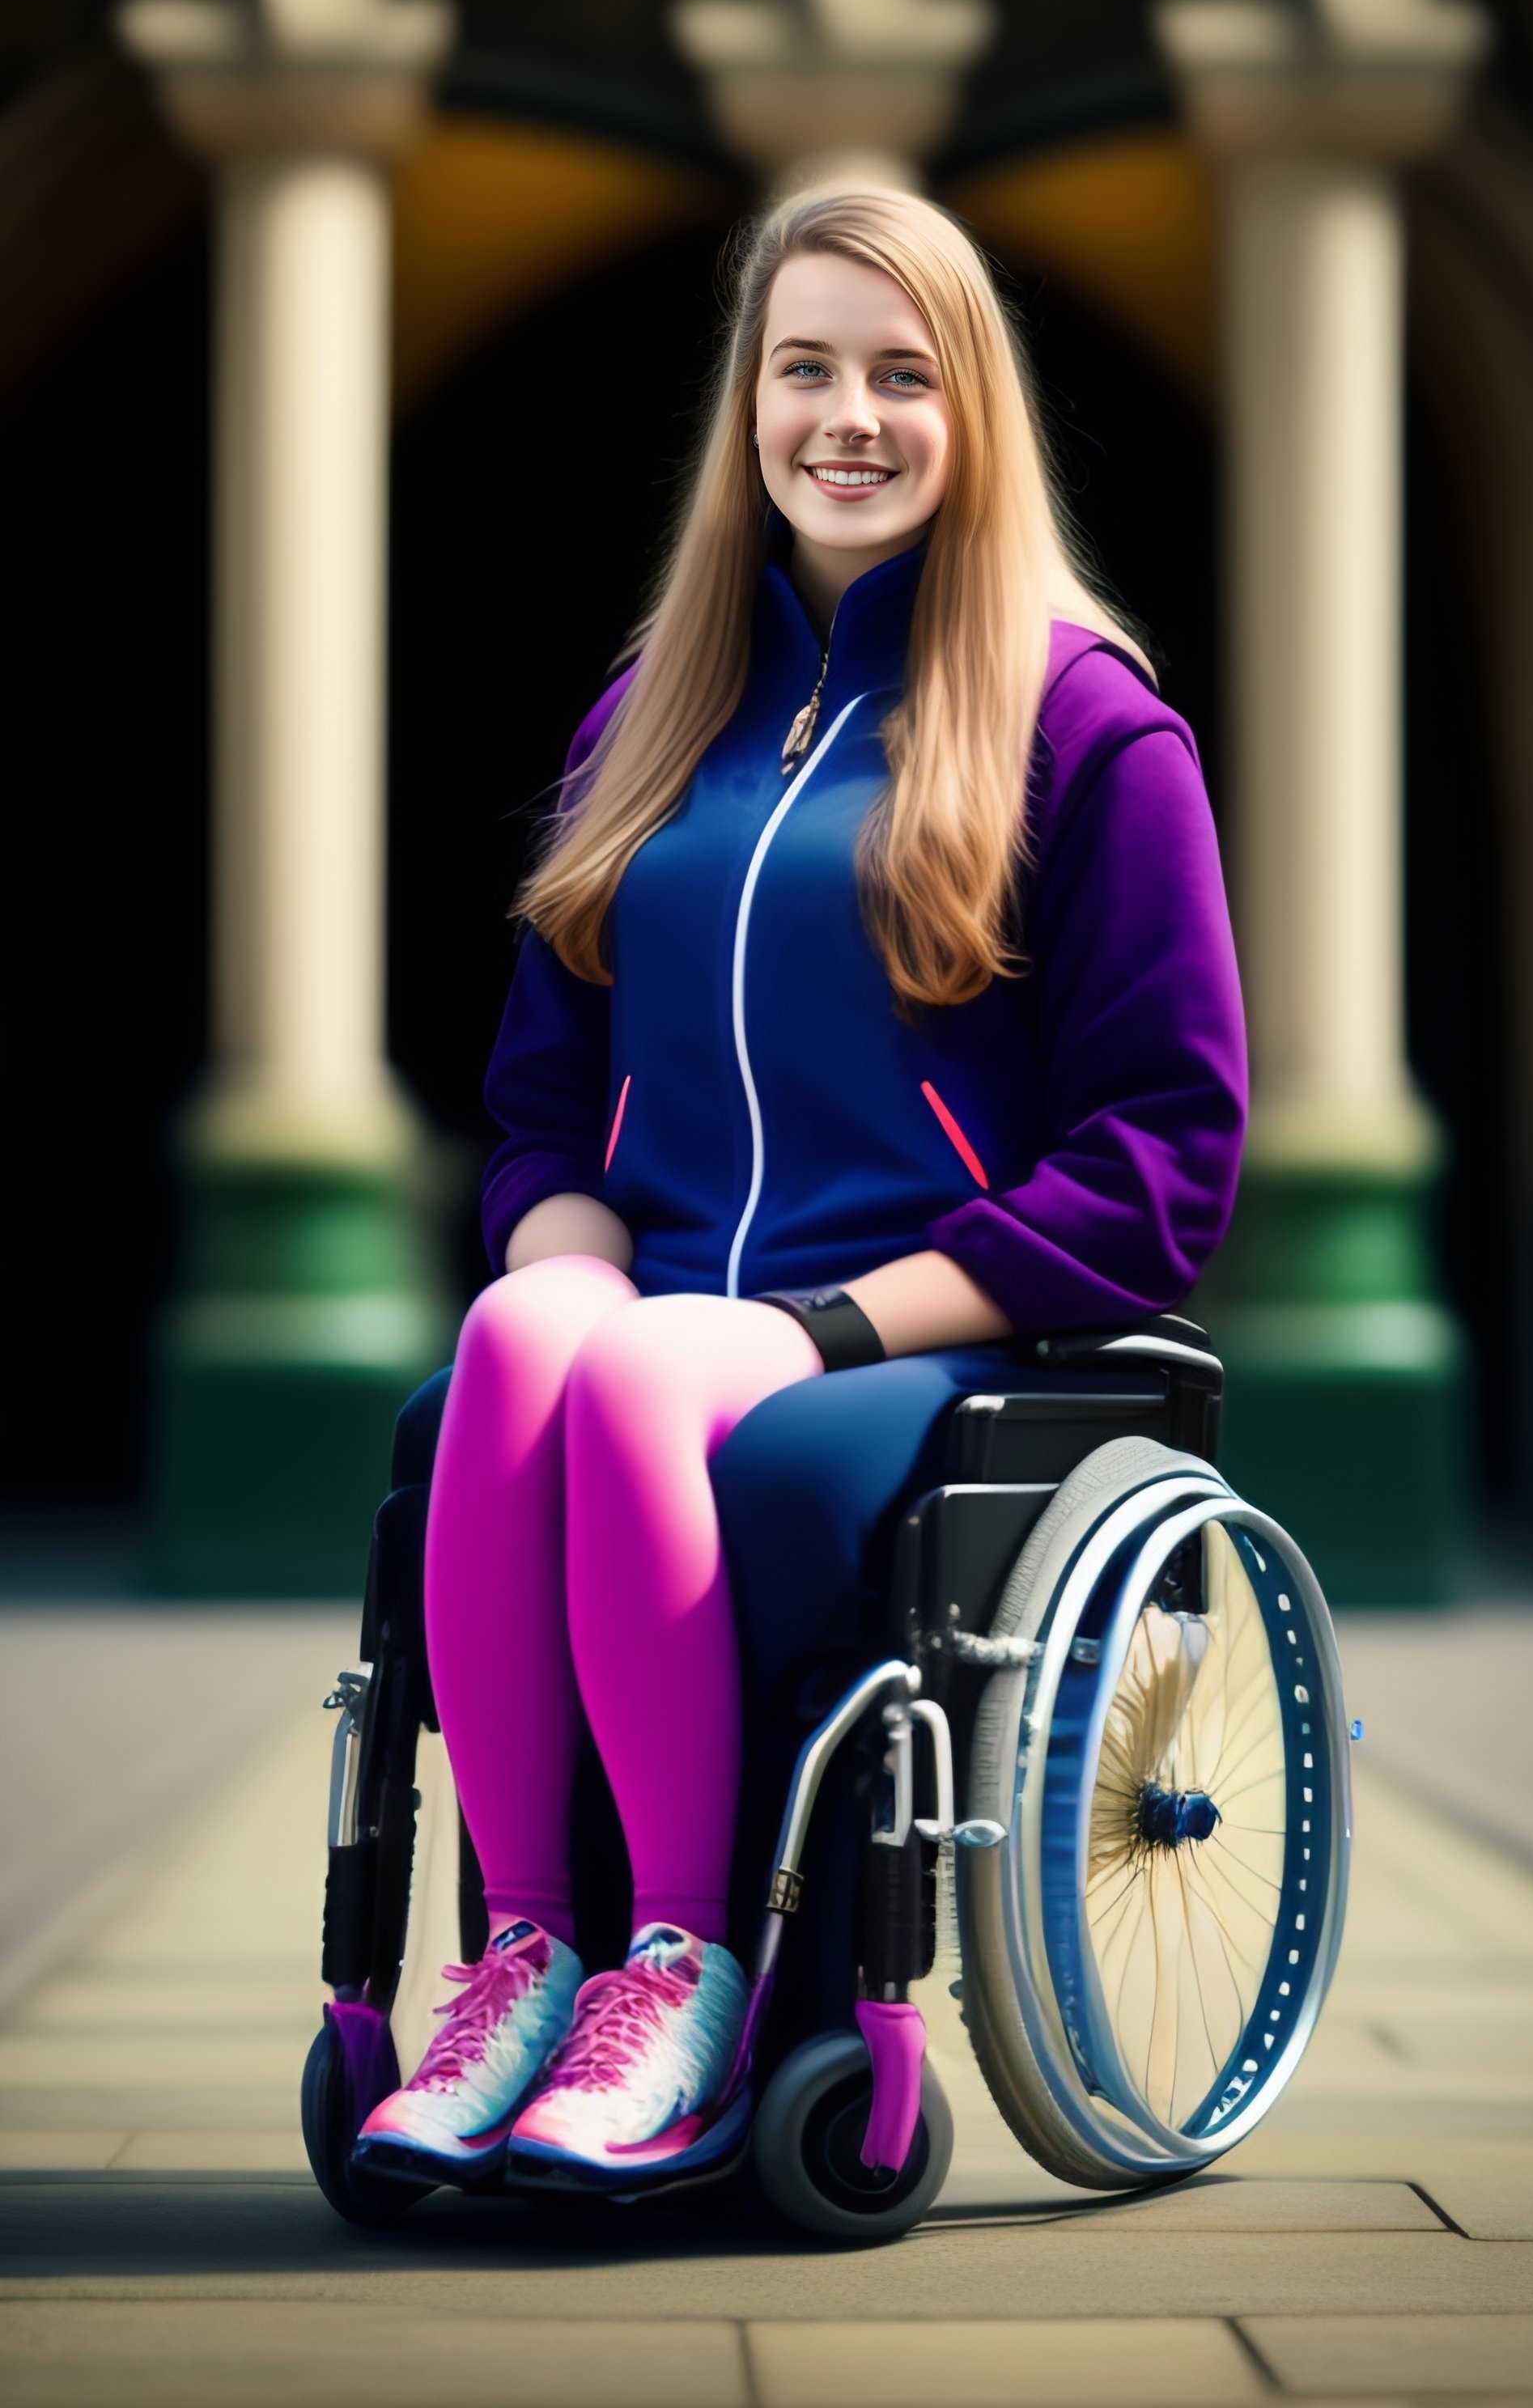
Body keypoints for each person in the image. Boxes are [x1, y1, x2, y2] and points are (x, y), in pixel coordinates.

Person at [356, 180, 1247, 2188]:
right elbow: (542, 1109)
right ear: (746, 405)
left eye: (900, 374)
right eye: (803, 369)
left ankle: (686, 1974)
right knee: (523, 1336)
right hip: (667, 1299)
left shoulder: (1087, 732)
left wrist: (813, 1323)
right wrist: (573, 1261)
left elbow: (1164, 1164)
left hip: (912, 1334)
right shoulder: (655, 715)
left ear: (974, 412)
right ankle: (519, 1961)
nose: (846, 416)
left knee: (661, 1381)